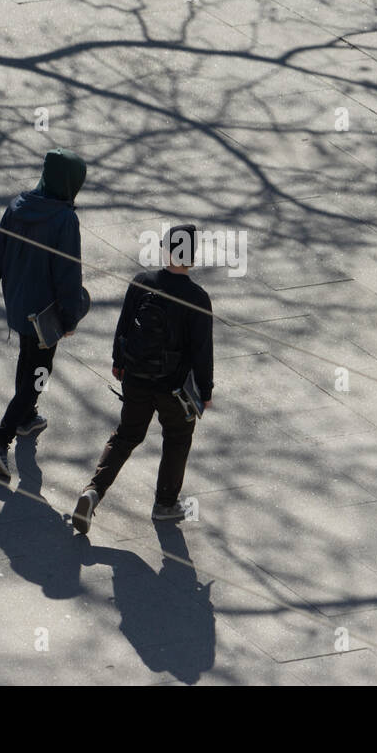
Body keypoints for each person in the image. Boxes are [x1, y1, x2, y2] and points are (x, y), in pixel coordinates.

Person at [72, 225, 213, 534]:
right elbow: (203, 350)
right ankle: (165, 504)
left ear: (165, 250)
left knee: (126, 436)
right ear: (192, 257)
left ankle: (93, 491)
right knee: (177, 438)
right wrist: (206, 390)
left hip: (136, 377)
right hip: (173, 386)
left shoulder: (142, 283)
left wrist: (119, 362)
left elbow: (123, 327)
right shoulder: (197, 297)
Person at [0, 148, 89, 477]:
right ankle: (1, 438)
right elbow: (68, 274)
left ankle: (26, 418)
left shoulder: (17, 207)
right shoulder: (65, 219)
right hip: (45, 314)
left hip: (18, 305)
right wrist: (69, 318)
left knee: (28, 362)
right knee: (38, 375)